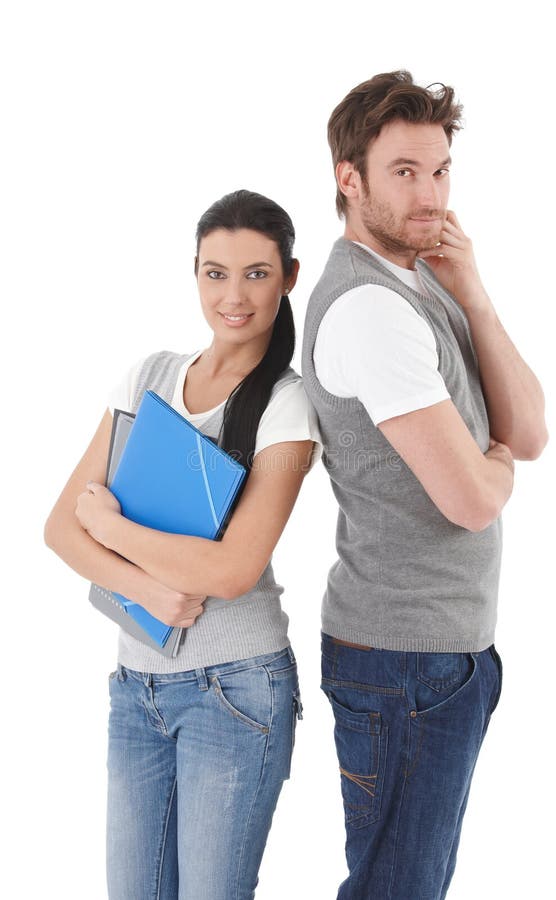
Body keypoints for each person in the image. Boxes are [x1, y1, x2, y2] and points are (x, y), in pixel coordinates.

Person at [301, 70, 548, 899]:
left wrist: (472, 291)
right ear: (351, 178)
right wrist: (498, 460)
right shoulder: (370, 309)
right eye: (405, 172)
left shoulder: (423, 284)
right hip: (403, 661)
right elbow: (475, 496)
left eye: (440, 170)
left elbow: (533, 430)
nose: (430, 193)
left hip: (439, 656)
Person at [44, 189, 321, 900]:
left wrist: (107, 527)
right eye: (215, 273)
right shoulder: (150, 377)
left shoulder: (286, 405)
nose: (234, 296)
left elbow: (232, 572)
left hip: (235, 691)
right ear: (194, 273)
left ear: (289, 277)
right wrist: (144, 584)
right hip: (135, 690)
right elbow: (57, 527)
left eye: (257, 274)